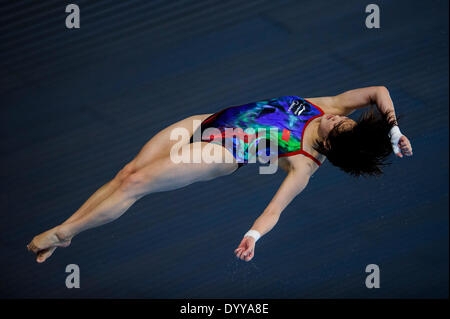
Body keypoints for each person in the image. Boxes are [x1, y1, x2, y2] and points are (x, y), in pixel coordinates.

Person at [27, 86, 413, 263]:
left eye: (339, 127)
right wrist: (394, 130)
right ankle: (66, 230)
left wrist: (252, 236)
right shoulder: (326, 106)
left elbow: (275, 210)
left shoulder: (305, 161)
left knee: (136, 184)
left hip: (221, 150)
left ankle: (67, 233)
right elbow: (379, 91)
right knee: (128, 172)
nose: (337, 117)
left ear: (329, 146)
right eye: (343, 119)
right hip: (202, 122)